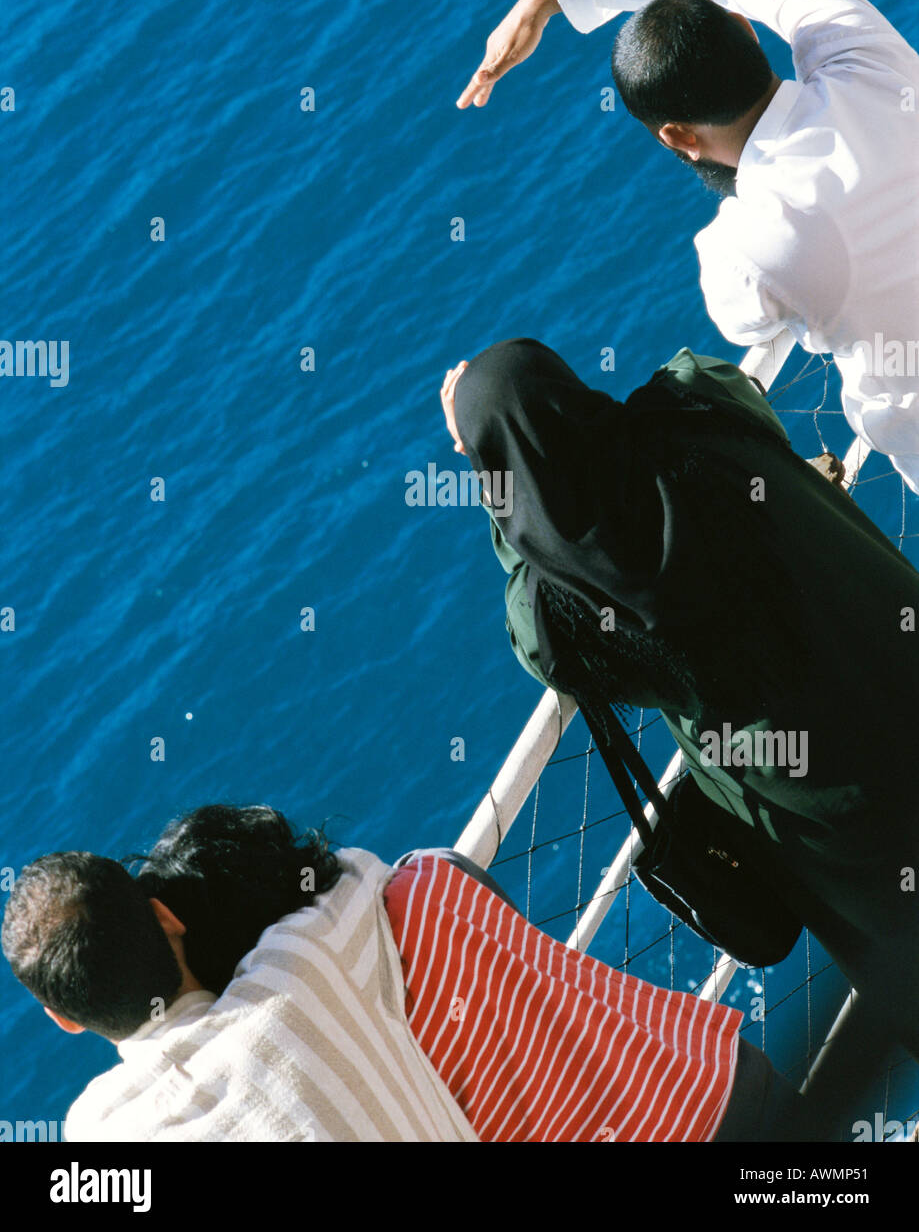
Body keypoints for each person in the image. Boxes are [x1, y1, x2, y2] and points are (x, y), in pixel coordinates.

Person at [440, 339, 919, 1073]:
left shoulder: (562, 610)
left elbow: (526, 618)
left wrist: (494, 481)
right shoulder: (697, 408)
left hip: (834, 818)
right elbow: (716, 377)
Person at [2, 803, 825, 1141]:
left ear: (62, 1018)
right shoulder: (313, 968)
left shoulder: (102, 1129)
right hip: (714, 1081)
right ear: (165, 919)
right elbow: (362, 878)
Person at [456, 0, 919, 493]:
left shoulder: (750, 242)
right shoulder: (869, 58)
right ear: (747, 30)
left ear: (676, 136)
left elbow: (742, 316)